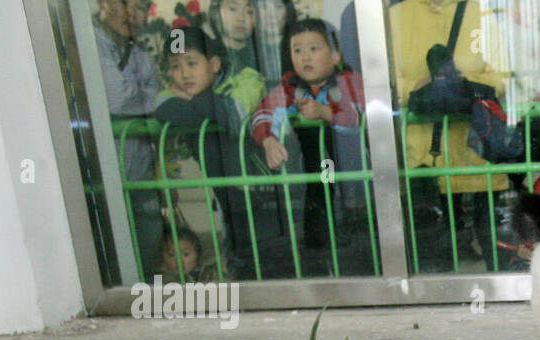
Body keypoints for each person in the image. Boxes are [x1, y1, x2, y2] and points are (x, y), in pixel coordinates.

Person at [391, 0, 510, 270]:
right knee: (436, 255)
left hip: (478, 154)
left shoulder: (481, 12)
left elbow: (500, 77)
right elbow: (386, 82)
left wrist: (462, 85)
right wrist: (418, 86)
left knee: (492, 246)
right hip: (428, 158)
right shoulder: (396, 18)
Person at [251, 18, 365, 251]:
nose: (305, 57)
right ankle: (319, 245)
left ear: (335, 56)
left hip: (354, 167)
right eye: (297, 50)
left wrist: (327, 112)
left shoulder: (348, 81)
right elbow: (262, 114)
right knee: (319, 195)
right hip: (317, 166)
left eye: (314, 49)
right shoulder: (290, 88)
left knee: (357, 214)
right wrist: (268, 140)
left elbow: (364, 115)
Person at [157, 26, 264, 270]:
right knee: (236, 248)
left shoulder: (245, 78)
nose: (184, 74)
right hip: (223, 188)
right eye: (175, 66)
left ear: (214, 64)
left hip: (263, 183)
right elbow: (164, 108)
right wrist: (209, 107)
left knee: (265, 248)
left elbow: (233, 112)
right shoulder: (174, 93)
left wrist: (197, 101)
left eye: (191, 63)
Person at [95, 0, 164, 275]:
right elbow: (119, 100)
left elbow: (159, 100)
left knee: (149, 240)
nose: (132, 15)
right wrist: (144, 96)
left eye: (140, 8)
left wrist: (141, 96)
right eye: (124, 4)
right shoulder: (92, 46)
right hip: (105, 171)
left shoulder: (138, 53)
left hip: (141, 167)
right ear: (104, 4)